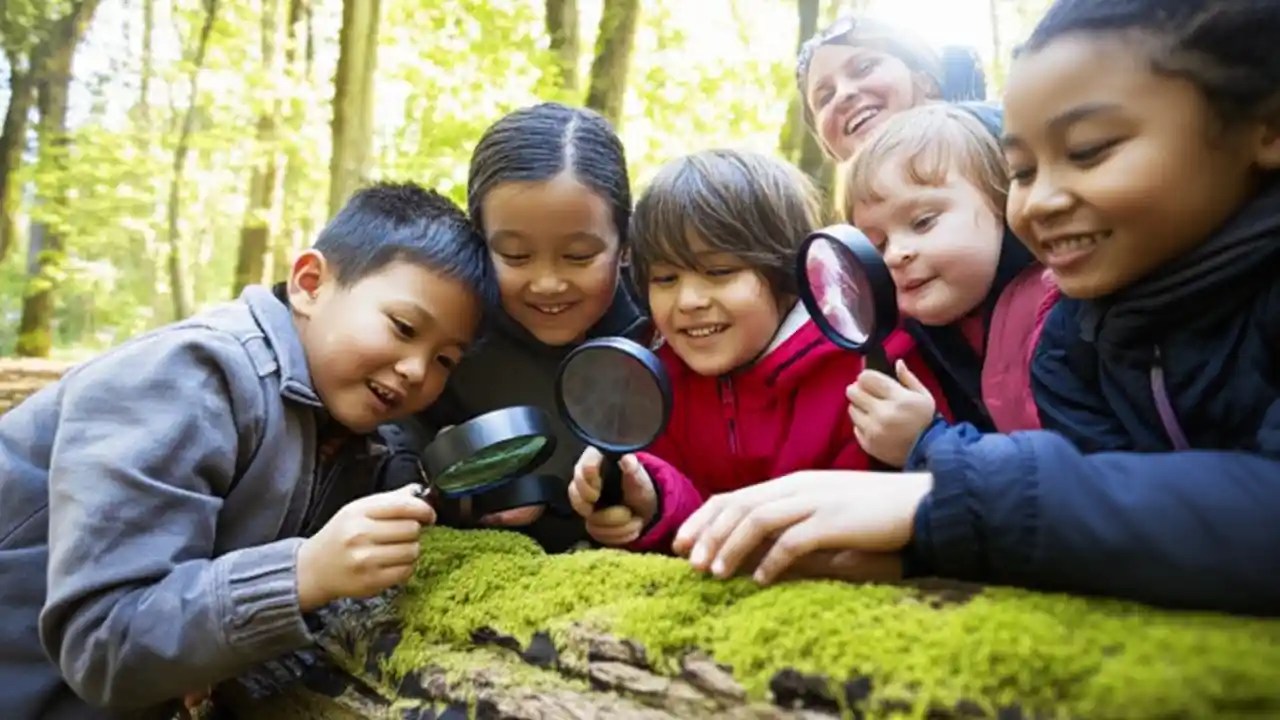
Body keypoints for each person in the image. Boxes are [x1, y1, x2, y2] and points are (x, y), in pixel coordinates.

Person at [672, 0, 1280, 616]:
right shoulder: (1082, 330)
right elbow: (1106, 500)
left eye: (1091, 150)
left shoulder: (1053, 316)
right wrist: (923, 544)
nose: (1041, 200)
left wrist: (939, 494)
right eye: (1022, 170)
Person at [0, 182, 493, 717]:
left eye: (445, 359)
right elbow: (103, 643)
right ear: (310, 284)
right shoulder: (188, 379)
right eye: (403, 327)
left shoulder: (340, 427)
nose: (417, 369)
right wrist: (302, 574)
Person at [566, 149, 950, 553]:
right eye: (665, 278)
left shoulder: (869, 368)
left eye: (719, 272)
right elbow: (691, 516)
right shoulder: (657, 381)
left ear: (788, 274)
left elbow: (911, 506)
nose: (689, 299)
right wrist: (650, 498)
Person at [384, 102, 650, 553]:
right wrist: (446, 484)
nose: (547, 283)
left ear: (625, 244)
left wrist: (657, 507)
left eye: (579, 256)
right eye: (516, 257)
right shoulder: (453, 337)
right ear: (479, 240)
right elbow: (390, 441)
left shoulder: (665, 330)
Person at [838, 104, 1059, 467]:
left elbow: (1071, 473)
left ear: (1003, 205)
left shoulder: (1052, 312)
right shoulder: (912, 336)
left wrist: (926, 444)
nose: (896, 254)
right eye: (877, 245)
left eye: (923, 222)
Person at [796, 14, 987, 164]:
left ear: (925, 80)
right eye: (826, 97)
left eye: (864, 68)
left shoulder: (1001, 148)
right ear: (827, 146)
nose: (844, 94)